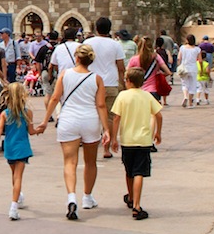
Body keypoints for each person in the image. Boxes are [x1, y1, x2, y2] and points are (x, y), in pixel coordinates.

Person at [44, 43, 111, 220]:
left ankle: (71, 198)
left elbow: (55, 98)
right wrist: (107, 129)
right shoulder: (96, 78)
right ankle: (87, 197)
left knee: (69, 162)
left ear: (77, 58)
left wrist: (45, 120)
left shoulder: (65, 74)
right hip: (90, 120)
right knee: (90, 162)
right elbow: (101, 105)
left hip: (69, 119)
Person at [110, 66, 163, 221]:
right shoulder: (147, 96)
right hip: (144, 140)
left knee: (129, 170)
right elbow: (158, 115)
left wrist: (114, 138)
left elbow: (116, 118)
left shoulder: (122, 96)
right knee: (139, 171)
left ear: (128, 81)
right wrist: (158, 133)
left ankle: (131, 197)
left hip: (127, 140)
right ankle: (137, 206)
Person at [0, 81, 44, 220]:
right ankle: (13, 206)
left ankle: (18, 196)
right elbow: (31, 131)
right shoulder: (27, 113)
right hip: (22, 147)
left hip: (9, 146)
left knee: (14, 174)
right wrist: (39, 130)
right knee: (18, 176)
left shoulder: (4, 114)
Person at [84, 17, 126, 160]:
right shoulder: (115, 45)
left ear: (96, 28)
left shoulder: (87, 43)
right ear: (110, 29)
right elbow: (121, 67)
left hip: (91, 83)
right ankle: (107, 148)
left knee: (92, 115)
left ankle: (91, 145)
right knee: (109, 116)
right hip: (110, 84)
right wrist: (123, 84)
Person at [128, 38, 171, 103]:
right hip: (153, 91)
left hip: (138, 91)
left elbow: (127, 74)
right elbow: (168, 72)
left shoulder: (134, 59)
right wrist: (159, 74)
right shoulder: (156, 57)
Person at [177, 34, 202, 108]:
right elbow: (200, 60)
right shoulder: (197, 49)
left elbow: (179, 58)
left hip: (184, 68)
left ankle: (185, 96)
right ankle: (190, 103)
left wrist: (179, 66)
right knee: (192, 85)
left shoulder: (182, 48)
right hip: (193, 69)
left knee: (184, 84)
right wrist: (201, 69)